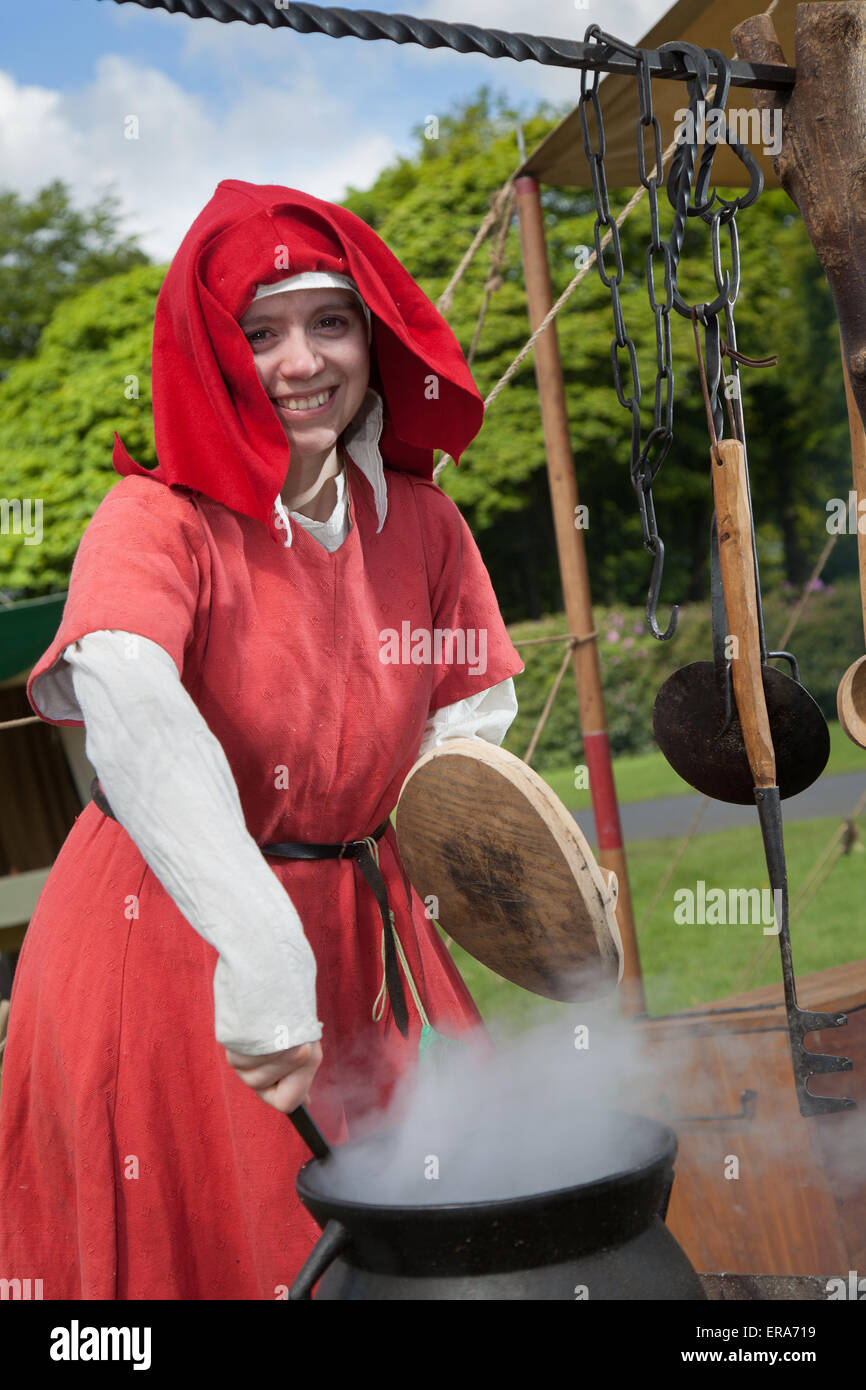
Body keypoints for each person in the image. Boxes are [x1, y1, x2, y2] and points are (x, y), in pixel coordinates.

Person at [0, 181, 524, 1299]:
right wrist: (260, 944)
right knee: (217, 1251)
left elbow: (467, 717)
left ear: (372, 339)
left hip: (358, 936)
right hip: (169, 935)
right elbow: (126, 693)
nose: (302, 362)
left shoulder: (423, 521)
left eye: (330, 322)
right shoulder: (155, 516)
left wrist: (523, 887)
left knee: (407, 1247)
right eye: (262, 330)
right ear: (211, 351)